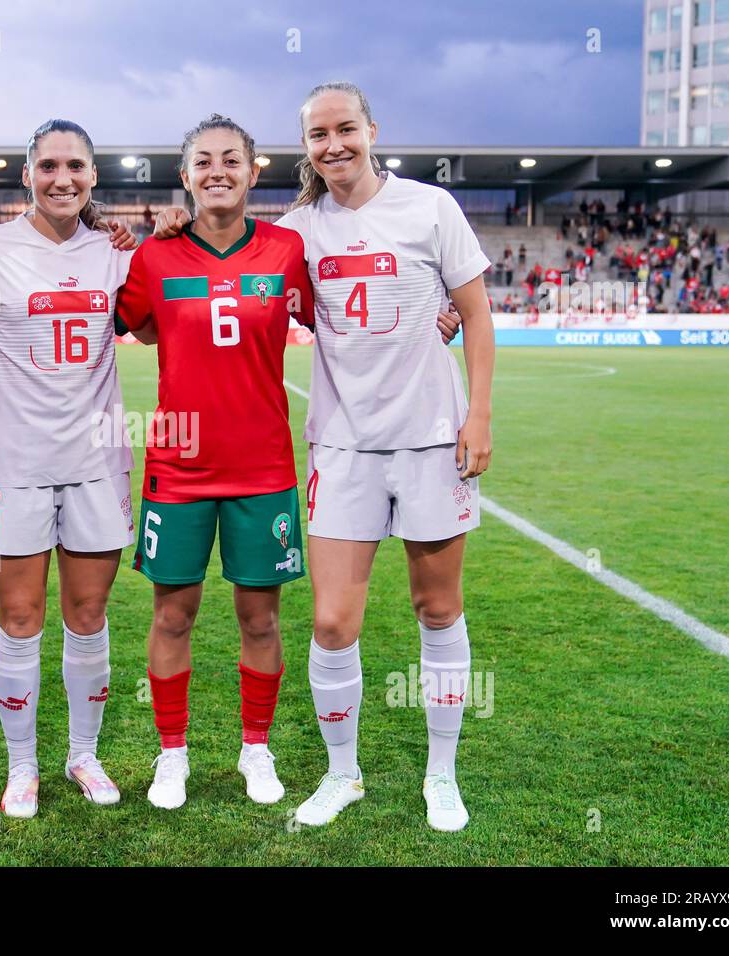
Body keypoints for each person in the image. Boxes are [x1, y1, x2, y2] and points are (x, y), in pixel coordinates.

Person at [277, 81, 494, 833]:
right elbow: (236, 271)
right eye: (318, 134)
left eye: (345, 128)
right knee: (333, 622)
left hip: (432, 438)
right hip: (342, 446)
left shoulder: (430, 207)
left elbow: (475, 315)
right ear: (306, 147)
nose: (333, 144)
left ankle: (442, 774)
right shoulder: (297, 230)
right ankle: (343, 773)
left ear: (372, 130)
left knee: (437, 607)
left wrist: (479, 416)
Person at [115, 115, 316, 810]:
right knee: (173, 615)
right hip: (179, 466)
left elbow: (342, 313)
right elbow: (136, 324)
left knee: (260, 619)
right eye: (203, 161)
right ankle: (172, 754)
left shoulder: (287, 249)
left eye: (232, 159)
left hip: (263, 467)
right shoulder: (156, 255)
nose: (217, 171)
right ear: (185, 175)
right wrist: (138, 233)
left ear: (254, 171)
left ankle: (255, 749)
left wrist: (436, 312)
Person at [0, 119, 138, 818]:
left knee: (88, 615)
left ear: (93, 176)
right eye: (50, 166)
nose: (63, 178)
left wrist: (169, 230)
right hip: (13, 466)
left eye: (76, 166)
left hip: (97, 462)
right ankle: (22, 765)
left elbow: (163, 319)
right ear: (28, 173)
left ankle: (83, 756)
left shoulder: (115, 254)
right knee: (20, 616)